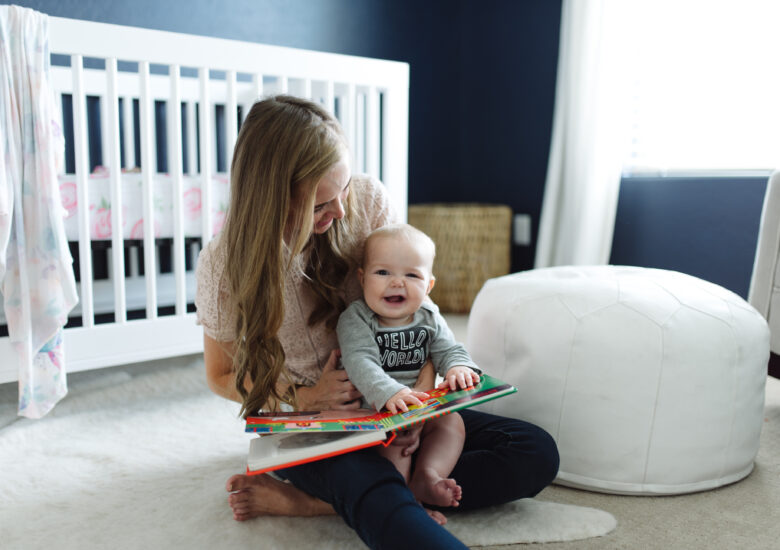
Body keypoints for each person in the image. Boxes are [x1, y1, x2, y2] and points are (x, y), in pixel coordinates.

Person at [195, 94, 559, 550]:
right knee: (372, 483)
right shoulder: (223, 263)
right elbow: (220, 374)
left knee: (533, 452)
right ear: (274, 200)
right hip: (324, 425)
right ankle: (365, 494)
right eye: (320, 204)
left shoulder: (367, 200)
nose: (343, 212)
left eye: (343, 188)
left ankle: (313, 503)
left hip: (402, 402)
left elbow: (412, 307)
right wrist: (307, 395)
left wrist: (423, 398)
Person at [337, 223, 480, 511]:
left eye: (412, 275)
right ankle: (405, 502)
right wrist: (392, 394)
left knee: (452, 423)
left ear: (428, 286)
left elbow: (448, 349)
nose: (397, 282)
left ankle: (428, 475)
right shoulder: (357, 319)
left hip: (421, 409)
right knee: (397, 449)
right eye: (383, 272)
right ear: (362, 279)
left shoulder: (428, 314)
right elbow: (360, 362)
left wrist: (458, 367)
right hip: (379, 414)